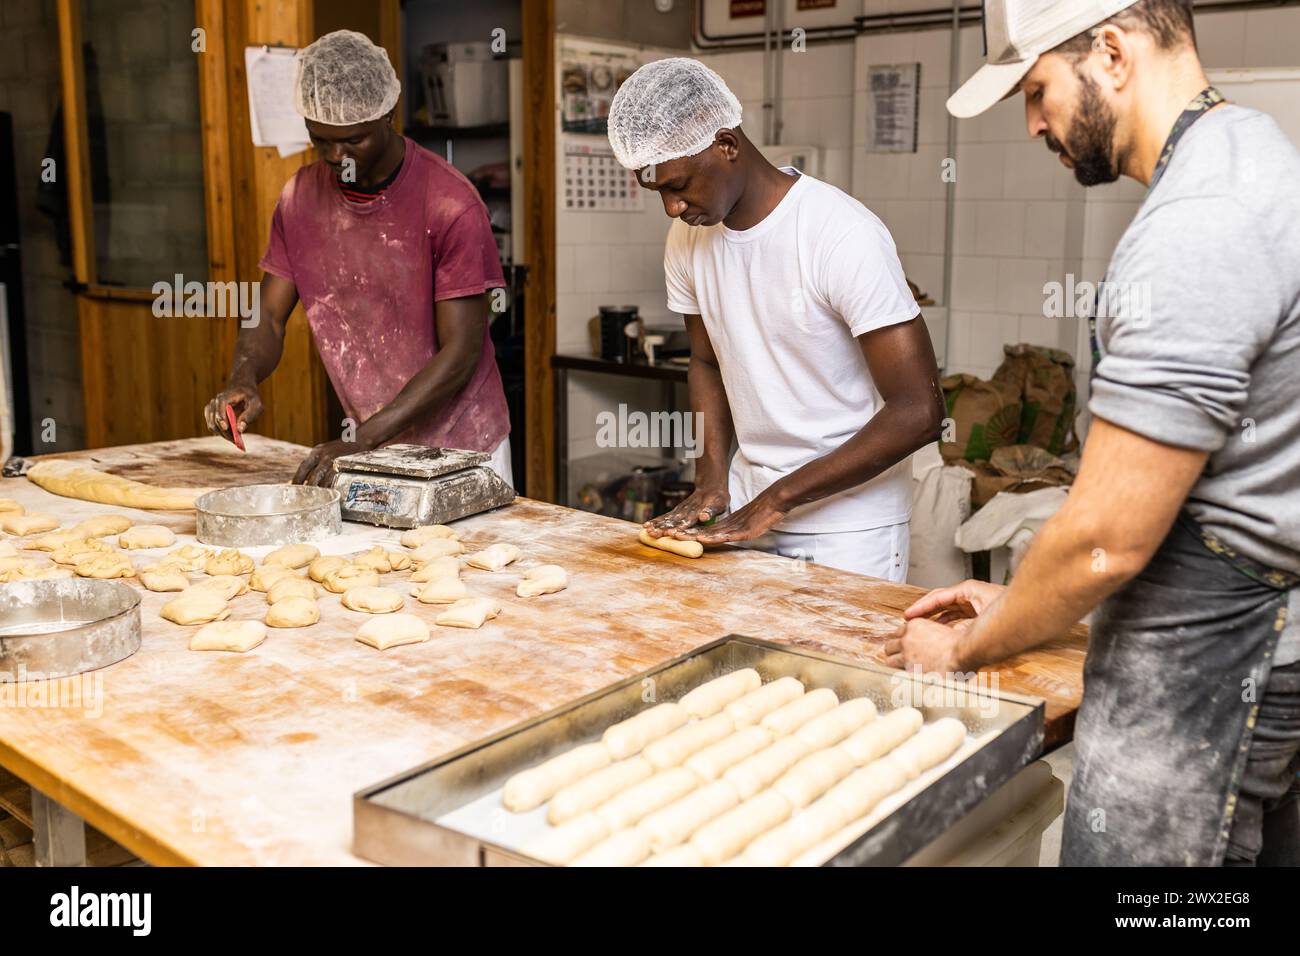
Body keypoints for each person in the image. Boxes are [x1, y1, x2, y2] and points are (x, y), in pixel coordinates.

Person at [888, 0, 1300, 865]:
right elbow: (1184, 484)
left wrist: (965, 647)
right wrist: (1027, 602)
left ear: (1111, 53)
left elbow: (1106, 541)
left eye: (1037, 91)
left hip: (1208, 682)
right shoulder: (1252, 152)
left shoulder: (1200, 222)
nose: (1034, 120)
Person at [608, 58, 945, 581]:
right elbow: (703, 362)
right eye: (659, 194)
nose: (672, 209)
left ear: (726, 145)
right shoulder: (687, 239)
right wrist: (712, 478)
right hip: (746, 508)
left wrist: (777, 499)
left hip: (849, 527)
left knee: (838, 666)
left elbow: (920, 410)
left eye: (679, 186)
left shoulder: (840, 234)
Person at [204, 30, 512, 487]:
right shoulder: (298, 200)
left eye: (353, 140)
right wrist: (244, 377)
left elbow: (461, 350)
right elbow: (268, 316)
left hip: (461, 448)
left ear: (388, 113)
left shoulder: (450, 204)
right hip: (371, 443)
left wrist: (362, 440)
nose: (335, 156)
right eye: (320, 140)